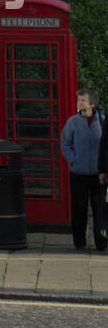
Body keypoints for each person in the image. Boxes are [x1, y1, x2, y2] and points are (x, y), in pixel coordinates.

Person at [60, 87, 106, 252]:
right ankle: (79, 243)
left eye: (83, 100)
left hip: (98, 175)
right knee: (78, 209)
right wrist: (73, 160)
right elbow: (65, 143)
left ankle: (101, 243)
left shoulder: (102, 121)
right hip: (78, 173)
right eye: (78, 100)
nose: (79, 102)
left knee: (99, 210)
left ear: (92, 103)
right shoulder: (72, 122)